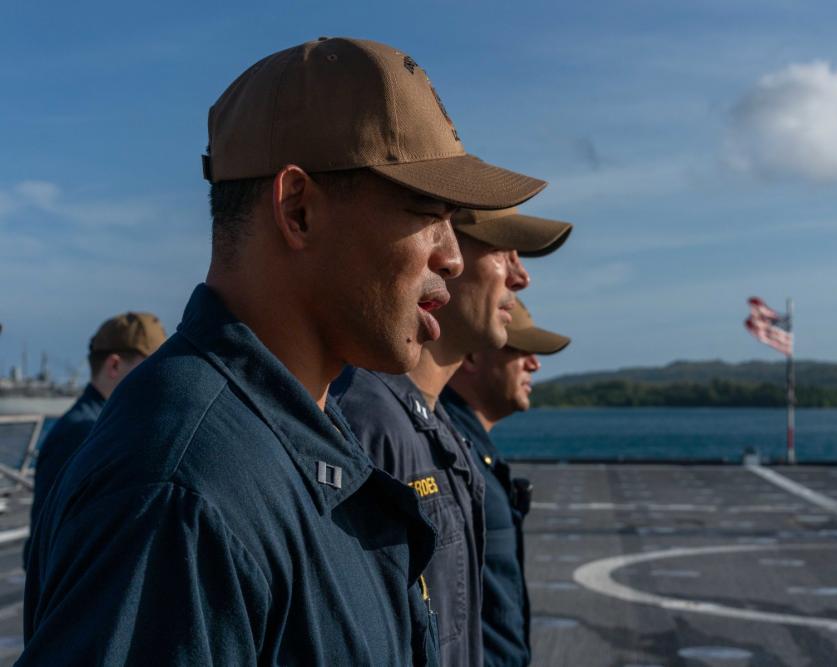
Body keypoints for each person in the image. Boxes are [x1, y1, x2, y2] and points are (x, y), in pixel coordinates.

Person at [20, 37, 546, 666]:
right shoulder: (182, 491)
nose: (452, 256)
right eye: (426, 210)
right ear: (298, 211)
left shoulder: (292, 435)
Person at [331, 207, 571, 667]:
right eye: (502, 251)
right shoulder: (370, 422)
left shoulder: (435, 426)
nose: (521, 277)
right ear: (443, 256)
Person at [442, 297, 570, 667]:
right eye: (519, 350)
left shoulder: (467, 448)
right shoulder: (449, 454)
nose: (535, 364)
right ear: (470, 356)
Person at [28, 312, 166, 533]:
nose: (163, 380)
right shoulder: (85, 434)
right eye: (151, 369)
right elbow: (49, 535)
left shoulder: (95, 427)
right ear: (114, 365)